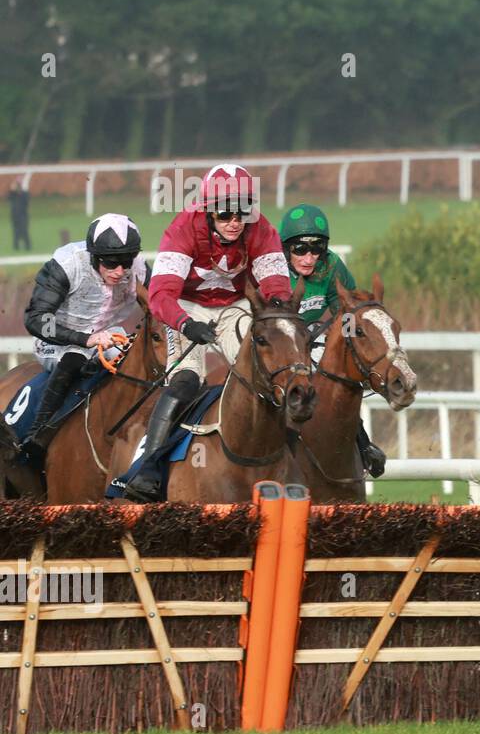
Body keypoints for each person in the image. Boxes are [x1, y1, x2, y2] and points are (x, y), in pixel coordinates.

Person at [128, 163, 292, 499]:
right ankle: (148, 468)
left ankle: (299, 451)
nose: (235, 222)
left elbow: (276, 284)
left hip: (234, 306)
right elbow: (160, 295)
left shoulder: (260, 228)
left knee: (270, 371)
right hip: (186, 306)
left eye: (241, 213)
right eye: (225, 214)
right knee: (186, 381)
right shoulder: (182, 229)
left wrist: (276, 308)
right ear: (207, 212)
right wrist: (186, 324)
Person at [12, 214, 146, 461]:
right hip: (57, 340)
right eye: (110, 263)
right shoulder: (67, 264)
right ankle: (37, 434)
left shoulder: (138, 268)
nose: (119, 272)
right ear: (94, 256)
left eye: (126, 263)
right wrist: (84, 339)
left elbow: (155, 307)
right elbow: (36, 318)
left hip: (108, 337)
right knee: (75, 357)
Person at [279, 203, 386, 477]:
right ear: (285, 248)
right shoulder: (273, 268)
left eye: (317, 249)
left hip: (309, 335)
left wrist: (345, 341)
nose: (309, 257)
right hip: (278, 338)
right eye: (300, 249)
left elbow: (348, 312)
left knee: (338, 376)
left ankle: (361, 442)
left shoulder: (331, 265)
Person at [8, 179, 31, 252]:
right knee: (16, 232)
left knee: (24, 231)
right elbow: (9, 197)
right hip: (14, 216)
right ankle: (16, 247)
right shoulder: (12, 194)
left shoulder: (24, 194)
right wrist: (12, 189)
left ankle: (28, 246)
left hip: (23, 216)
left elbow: (26, 200)